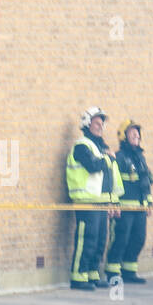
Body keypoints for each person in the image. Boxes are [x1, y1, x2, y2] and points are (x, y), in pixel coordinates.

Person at [64, 107, 122, 290]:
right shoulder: (82, 145)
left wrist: (114, 202)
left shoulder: (101, 148)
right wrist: (107, 158)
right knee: (86, 239)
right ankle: (78, 277)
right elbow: (92, 166)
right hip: (85, 202)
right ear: (87, 124)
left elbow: (109, 179)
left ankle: (92, 275)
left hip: (101, 203)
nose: (100, 127)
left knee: (99, 240)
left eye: (102, 124)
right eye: (97, 123)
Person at [107, 120, 153, 283]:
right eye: (132, 133)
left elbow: (146, 184)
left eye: (137, 133)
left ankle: (129, 271)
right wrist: (113, 203)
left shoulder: (140, 158)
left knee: (139, 238)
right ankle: (112, 271)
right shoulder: (119, 157)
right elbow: (112, 182)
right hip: (123, 208)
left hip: (140, 208)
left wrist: (148, 203)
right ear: (123, 136)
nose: (136, 135)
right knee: (121, 238)